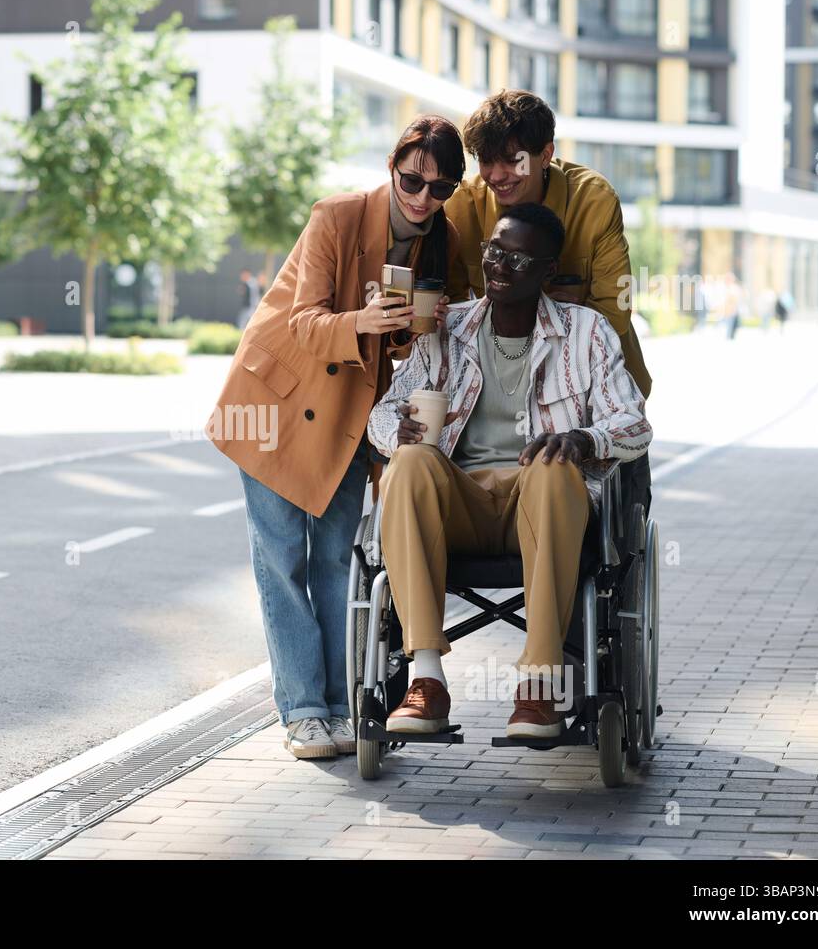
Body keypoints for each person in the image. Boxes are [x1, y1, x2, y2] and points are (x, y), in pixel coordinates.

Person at [208, 116, 464, 760]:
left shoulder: (442, 242)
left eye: (441, 188)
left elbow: (423, 345)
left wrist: (403, 333)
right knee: (281, 561)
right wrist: (367, 321)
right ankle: (300, 710)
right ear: (392, 167)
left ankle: (338, 706)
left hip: (353, 412)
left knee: (334, 562)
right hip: (277, 403)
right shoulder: (339, 216)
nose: (423, 197)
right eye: (413, 179)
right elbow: (302, 321)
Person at [366, 204, 652, 739]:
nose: (499, 265)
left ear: (546, 272)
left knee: (551, 463)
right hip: (460, 504)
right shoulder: (446, 329)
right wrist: (393, 433)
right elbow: (384, 411)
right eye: (494, 251)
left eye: (517, 259)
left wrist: (584, 437)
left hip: (542, 507)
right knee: (409, 461)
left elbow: (634, 423)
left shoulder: (586, 333)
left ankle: (540, 685)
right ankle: (425, 680)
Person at [443, 89, 652, 509]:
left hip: (596, 393)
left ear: (546, 153)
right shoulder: (462, 206)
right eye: (486, 161)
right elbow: (447, 312)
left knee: (620, 520)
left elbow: (614, 311)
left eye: (513, 160)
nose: (498, 174)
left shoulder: (593, 200)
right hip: (495, 398)